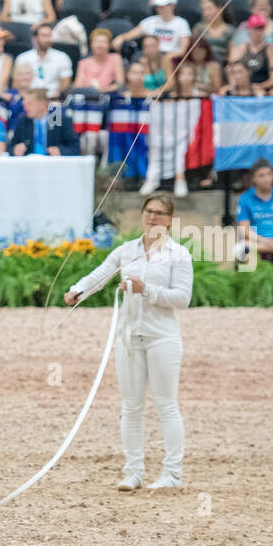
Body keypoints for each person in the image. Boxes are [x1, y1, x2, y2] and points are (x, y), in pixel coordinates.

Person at [65, 194, 192, 492]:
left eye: (160, 214)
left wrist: (146, 289)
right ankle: (133, 471)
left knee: (166, 405)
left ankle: (172, 473)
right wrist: (77, 291)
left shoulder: (179, 255)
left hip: (163, 337)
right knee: (131, 406)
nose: (153, 218)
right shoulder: (127, 251)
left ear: (170, 220)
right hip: (128, 336)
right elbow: (100, 275)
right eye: (149, 212)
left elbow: (182, 299)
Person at [114, 0, 190, 58]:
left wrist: (166, 58)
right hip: (150, 56)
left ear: (172, 6)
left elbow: (182, 50)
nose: (160, 9)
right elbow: (131, 34)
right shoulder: (150, 21)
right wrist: (121, 38)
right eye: (158, 6)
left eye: (163, 6)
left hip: (171, 57)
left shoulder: (181, 23)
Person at [9, 87, 80, 154]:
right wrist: (15, 150)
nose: (25, 108)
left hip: (54, 164)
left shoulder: (59, 119)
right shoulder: (23, 121)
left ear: (42, 104)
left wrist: (61, 151)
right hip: (30, 164)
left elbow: (75, 148)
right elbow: (10, 147)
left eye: (30, 104)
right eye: (24, 104)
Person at [14, 22, 73, 97]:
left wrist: (56, 96)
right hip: (28, 98)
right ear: (35, 38)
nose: (47, 39)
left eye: (49, 36)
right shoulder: (22, 58)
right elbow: (16, 85)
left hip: (53, 99)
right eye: (44, 36)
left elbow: (66, 85)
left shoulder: (62, 57)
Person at [229, 13, 273, 90]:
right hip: (244, 88)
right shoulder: (240, 49)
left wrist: (260, 87)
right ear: (249, 29)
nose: (258, 31)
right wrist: (235, 88)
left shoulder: (270, 49)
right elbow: (231, 71)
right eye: (255, 28)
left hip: (264, 88)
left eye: (261, 28)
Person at [76, 26, 124, 90]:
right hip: (88, 96)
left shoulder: (116, 58)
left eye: (103, 42)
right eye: (96, 41)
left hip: (109, 95)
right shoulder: (83, 63)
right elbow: (78, 86)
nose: (99, 45)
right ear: (91, 44)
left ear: (109, 45)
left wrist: (104, 91)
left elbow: (120, 83)